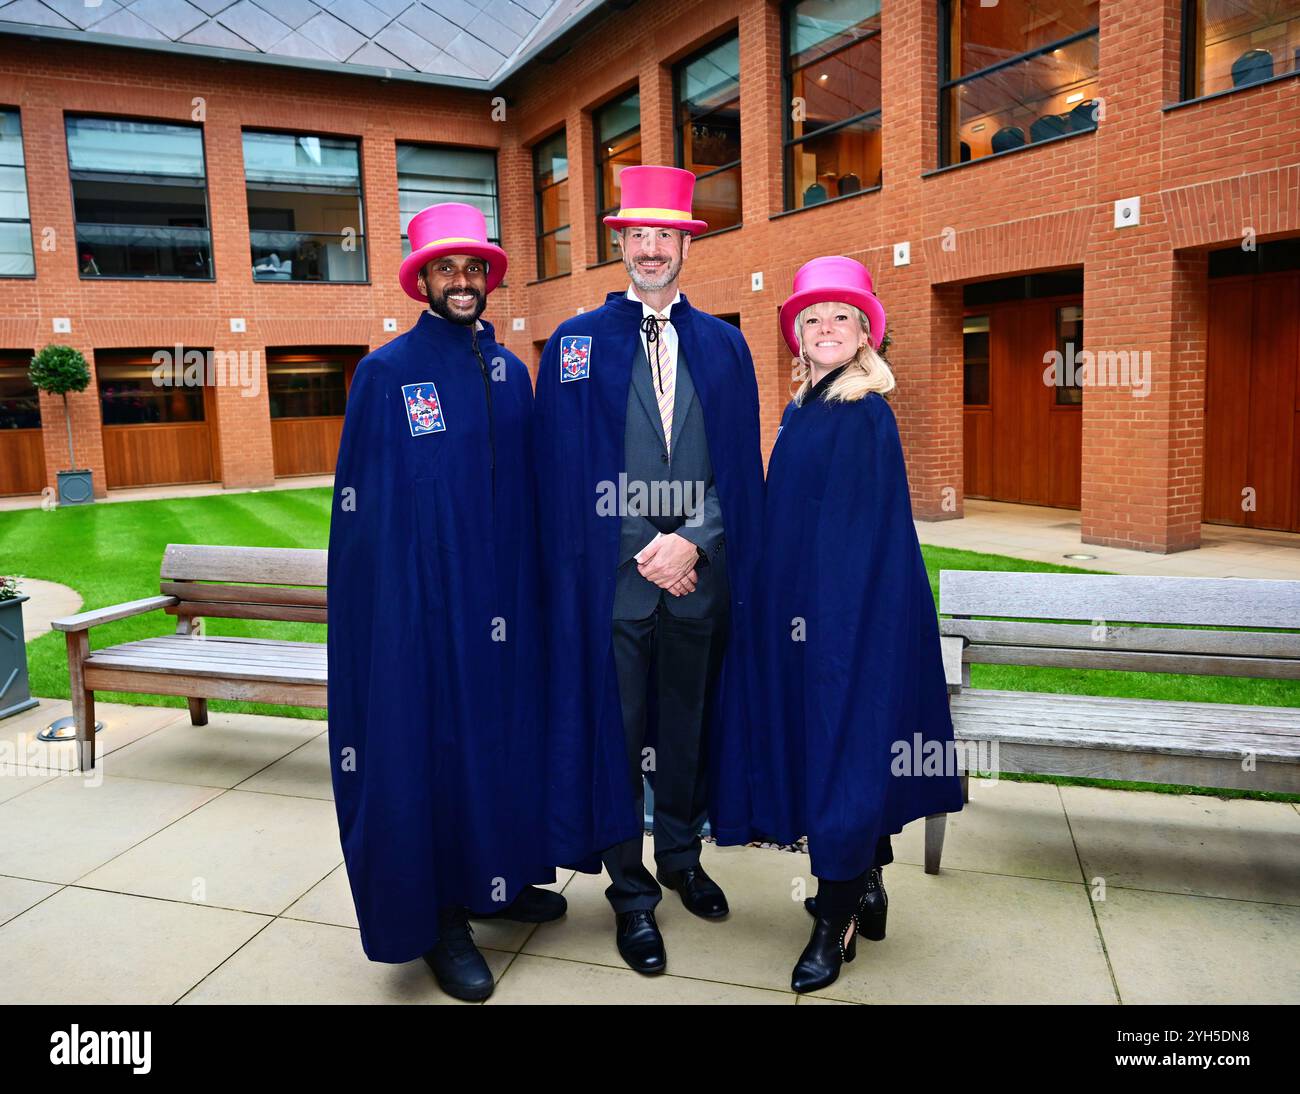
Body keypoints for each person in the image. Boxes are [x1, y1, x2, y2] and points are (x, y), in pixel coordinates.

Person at [327, 202, 564, 1002]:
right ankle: (439, 918)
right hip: (427, 615)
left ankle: (499, 880)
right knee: (433, 752)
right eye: (446, 270)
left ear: (489, 279)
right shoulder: (387, 375)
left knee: (500, 744)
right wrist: (393, 620)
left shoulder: (510, 373)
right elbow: (364, 518)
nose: (462, 282)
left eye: (474, 269)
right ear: (422, 280)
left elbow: (531, 493)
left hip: (504, 611)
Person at [532, 166, 764, 975]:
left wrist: (693, 539)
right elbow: (561, 467)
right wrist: (644, 543)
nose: (653, 247)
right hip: (615, 580)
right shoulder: (572, 344)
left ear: (686, 245)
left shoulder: (727, 347)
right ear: (620, 242)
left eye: (668, 234)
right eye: (640, 234)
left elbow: (742, 467)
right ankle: (631, 893)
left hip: (699, 575)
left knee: (687, 728)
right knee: (619, 733)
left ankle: (682, 859)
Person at [751, 255, 965, 994]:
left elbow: (858, 542)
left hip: (851, 619)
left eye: (842, 316)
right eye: (812, 318)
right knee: (847, 747)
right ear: (798, 338)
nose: (825, 327)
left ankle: (833, 920)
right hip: (811, 617)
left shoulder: (863, 411)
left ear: (866, 332)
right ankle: (867, 885)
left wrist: (831, 635)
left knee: (844, 747)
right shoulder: (807, 405)